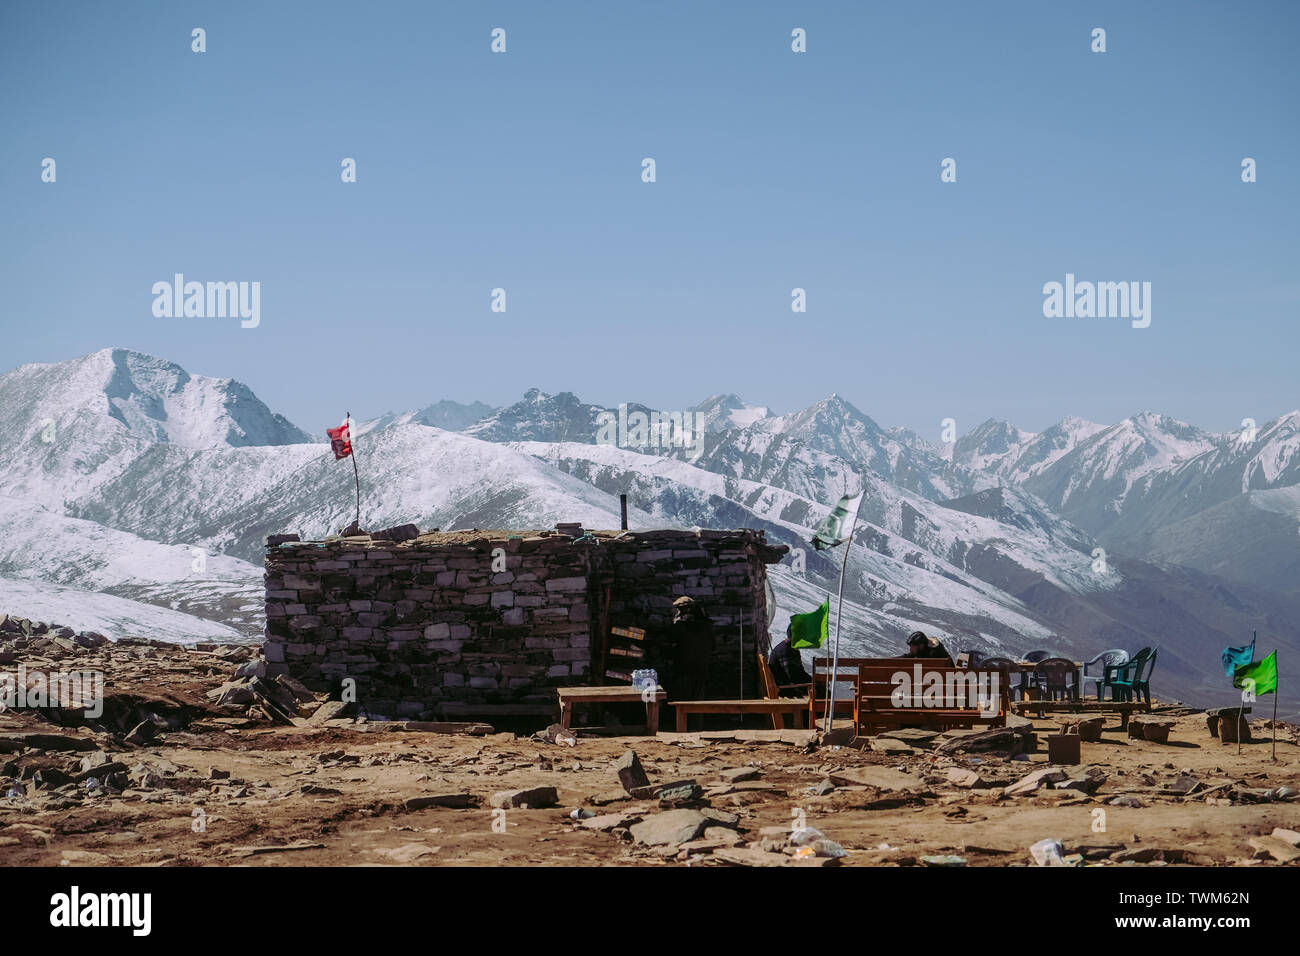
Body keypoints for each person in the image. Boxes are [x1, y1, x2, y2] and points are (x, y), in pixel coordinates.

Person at [668, 595, 714, 700]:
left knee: (683, 698)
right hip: (701, 667)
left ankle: (684, 716)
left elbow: (671, 646)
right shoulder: (707, 625)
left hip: (684, 668)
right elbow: (713, 646)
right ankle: (696, 716)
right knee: (698, 697)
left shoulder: (678, 626)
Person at [768, 625, 812, 695]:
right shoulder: (784, 650)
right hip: (784, 688)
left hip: (790, 685)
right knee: (822, 692)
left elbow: (800, 672)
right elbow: (793, 676)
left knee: (821, 689)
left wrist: (814, 681)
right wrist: (813, 682)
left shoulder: (792, 649)